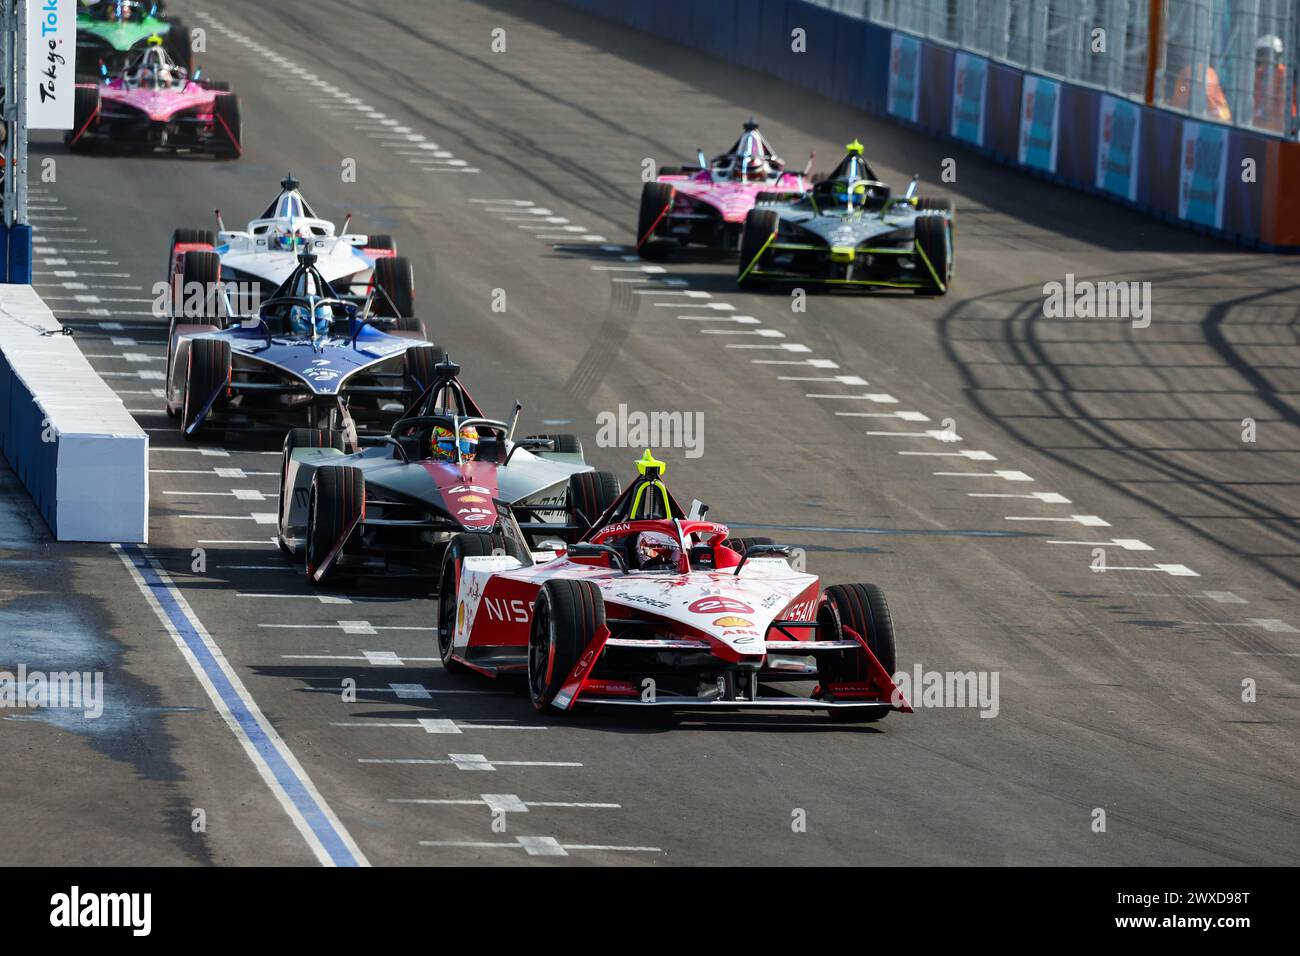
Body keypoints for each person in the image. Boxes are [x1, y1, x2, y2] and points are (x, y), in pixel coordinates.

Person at [1252, 34, 1294, 133]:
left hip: (1280, 129)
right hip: (1258, 126)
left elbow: (1281, 110)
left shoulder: (1285, 75)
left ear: (1277, 56)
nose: (1264, 57)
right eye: (1262, 53)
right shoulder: (1258, 73)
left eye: (1268, 54)